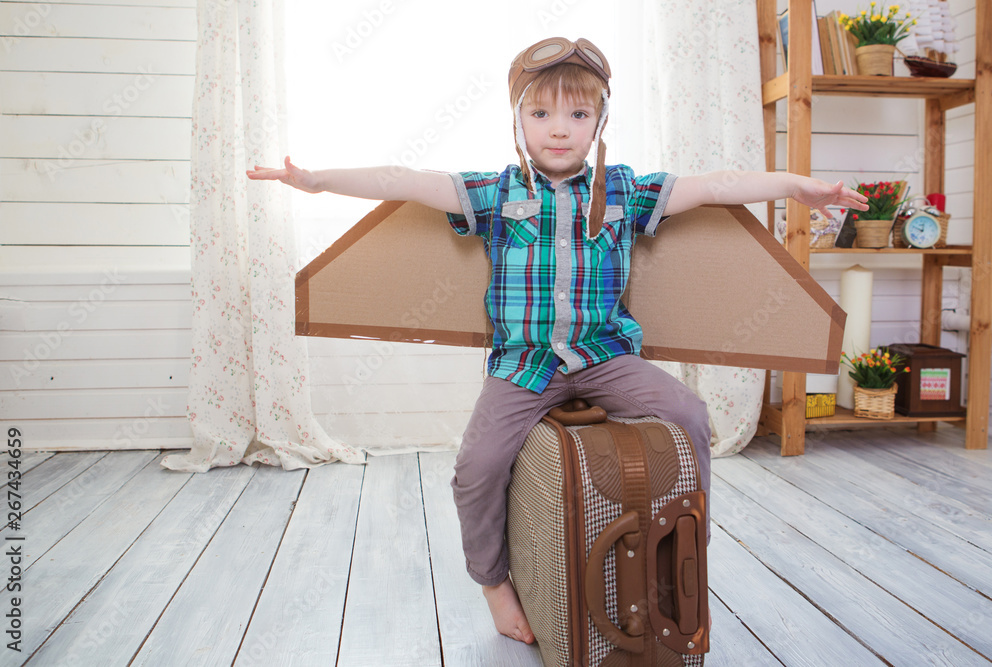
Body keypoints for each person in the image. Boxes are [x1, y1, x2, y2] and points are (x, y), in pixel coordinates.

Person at [248, 36, 869, 645]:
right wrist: (319, 182)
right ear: (518, 118)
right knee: (477, 467)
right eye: (540, 113)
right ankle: (493, 582)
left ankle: (686, 542)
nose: (559, 128)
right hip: (524, 364)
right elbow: (403, 178)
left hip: (605, 357)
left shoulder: (624, 190)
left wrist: (794, 185)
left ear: (600, 121)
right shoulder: (495, 192)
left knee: (691, 413)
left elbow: (715, 185)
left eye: (579, 114)